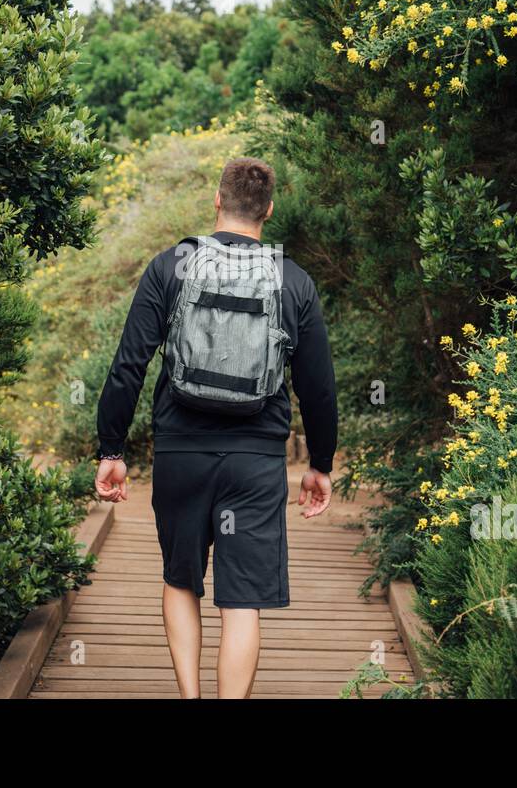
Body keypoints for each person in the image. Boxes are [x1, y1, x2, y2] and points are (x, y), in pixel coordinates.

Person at [94, 156, 339, 699]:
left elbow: (128, 365)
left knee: (181, 580)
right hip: (255, 461)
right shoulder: (292, 280)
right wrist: (320, 463)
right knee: (241, 599)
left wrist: (112, 447)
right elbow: (318, 388)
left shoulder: (170, 267)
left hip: (182, 452)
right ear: (268, 211)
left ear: (216, 202)